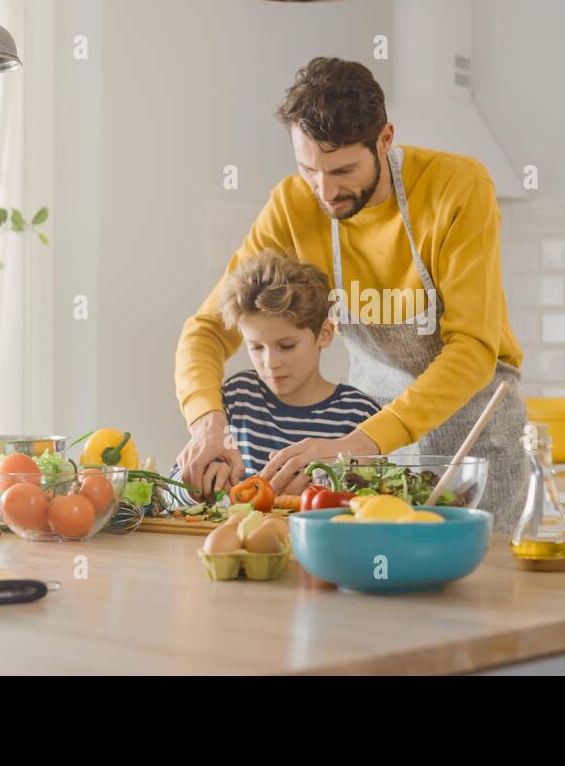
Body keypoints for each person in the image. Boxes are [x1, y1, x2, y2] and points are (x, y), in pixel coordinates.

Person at [175, 57, 528, 529]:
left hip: (473, 439)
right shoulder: (292, 204)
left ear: (385, 140)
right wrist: (208, 423)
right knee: (383, 592)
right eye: (309, 170)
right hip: (368, 435)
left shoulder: (457, 188)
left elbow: (473, 349)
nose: (325, 191)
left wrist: (357, 444)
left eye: (343, 170)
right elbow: (207, 330)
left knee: (486, 590)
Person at [166, 249, 379, 503]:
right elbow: (172, 492)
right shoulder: (237, 398)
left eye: (287, 346)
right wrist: (199, 486)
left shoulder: (358, 414)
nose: (270, 362)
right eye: (256, 347)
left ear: (324, 333)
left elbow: (375, 501)